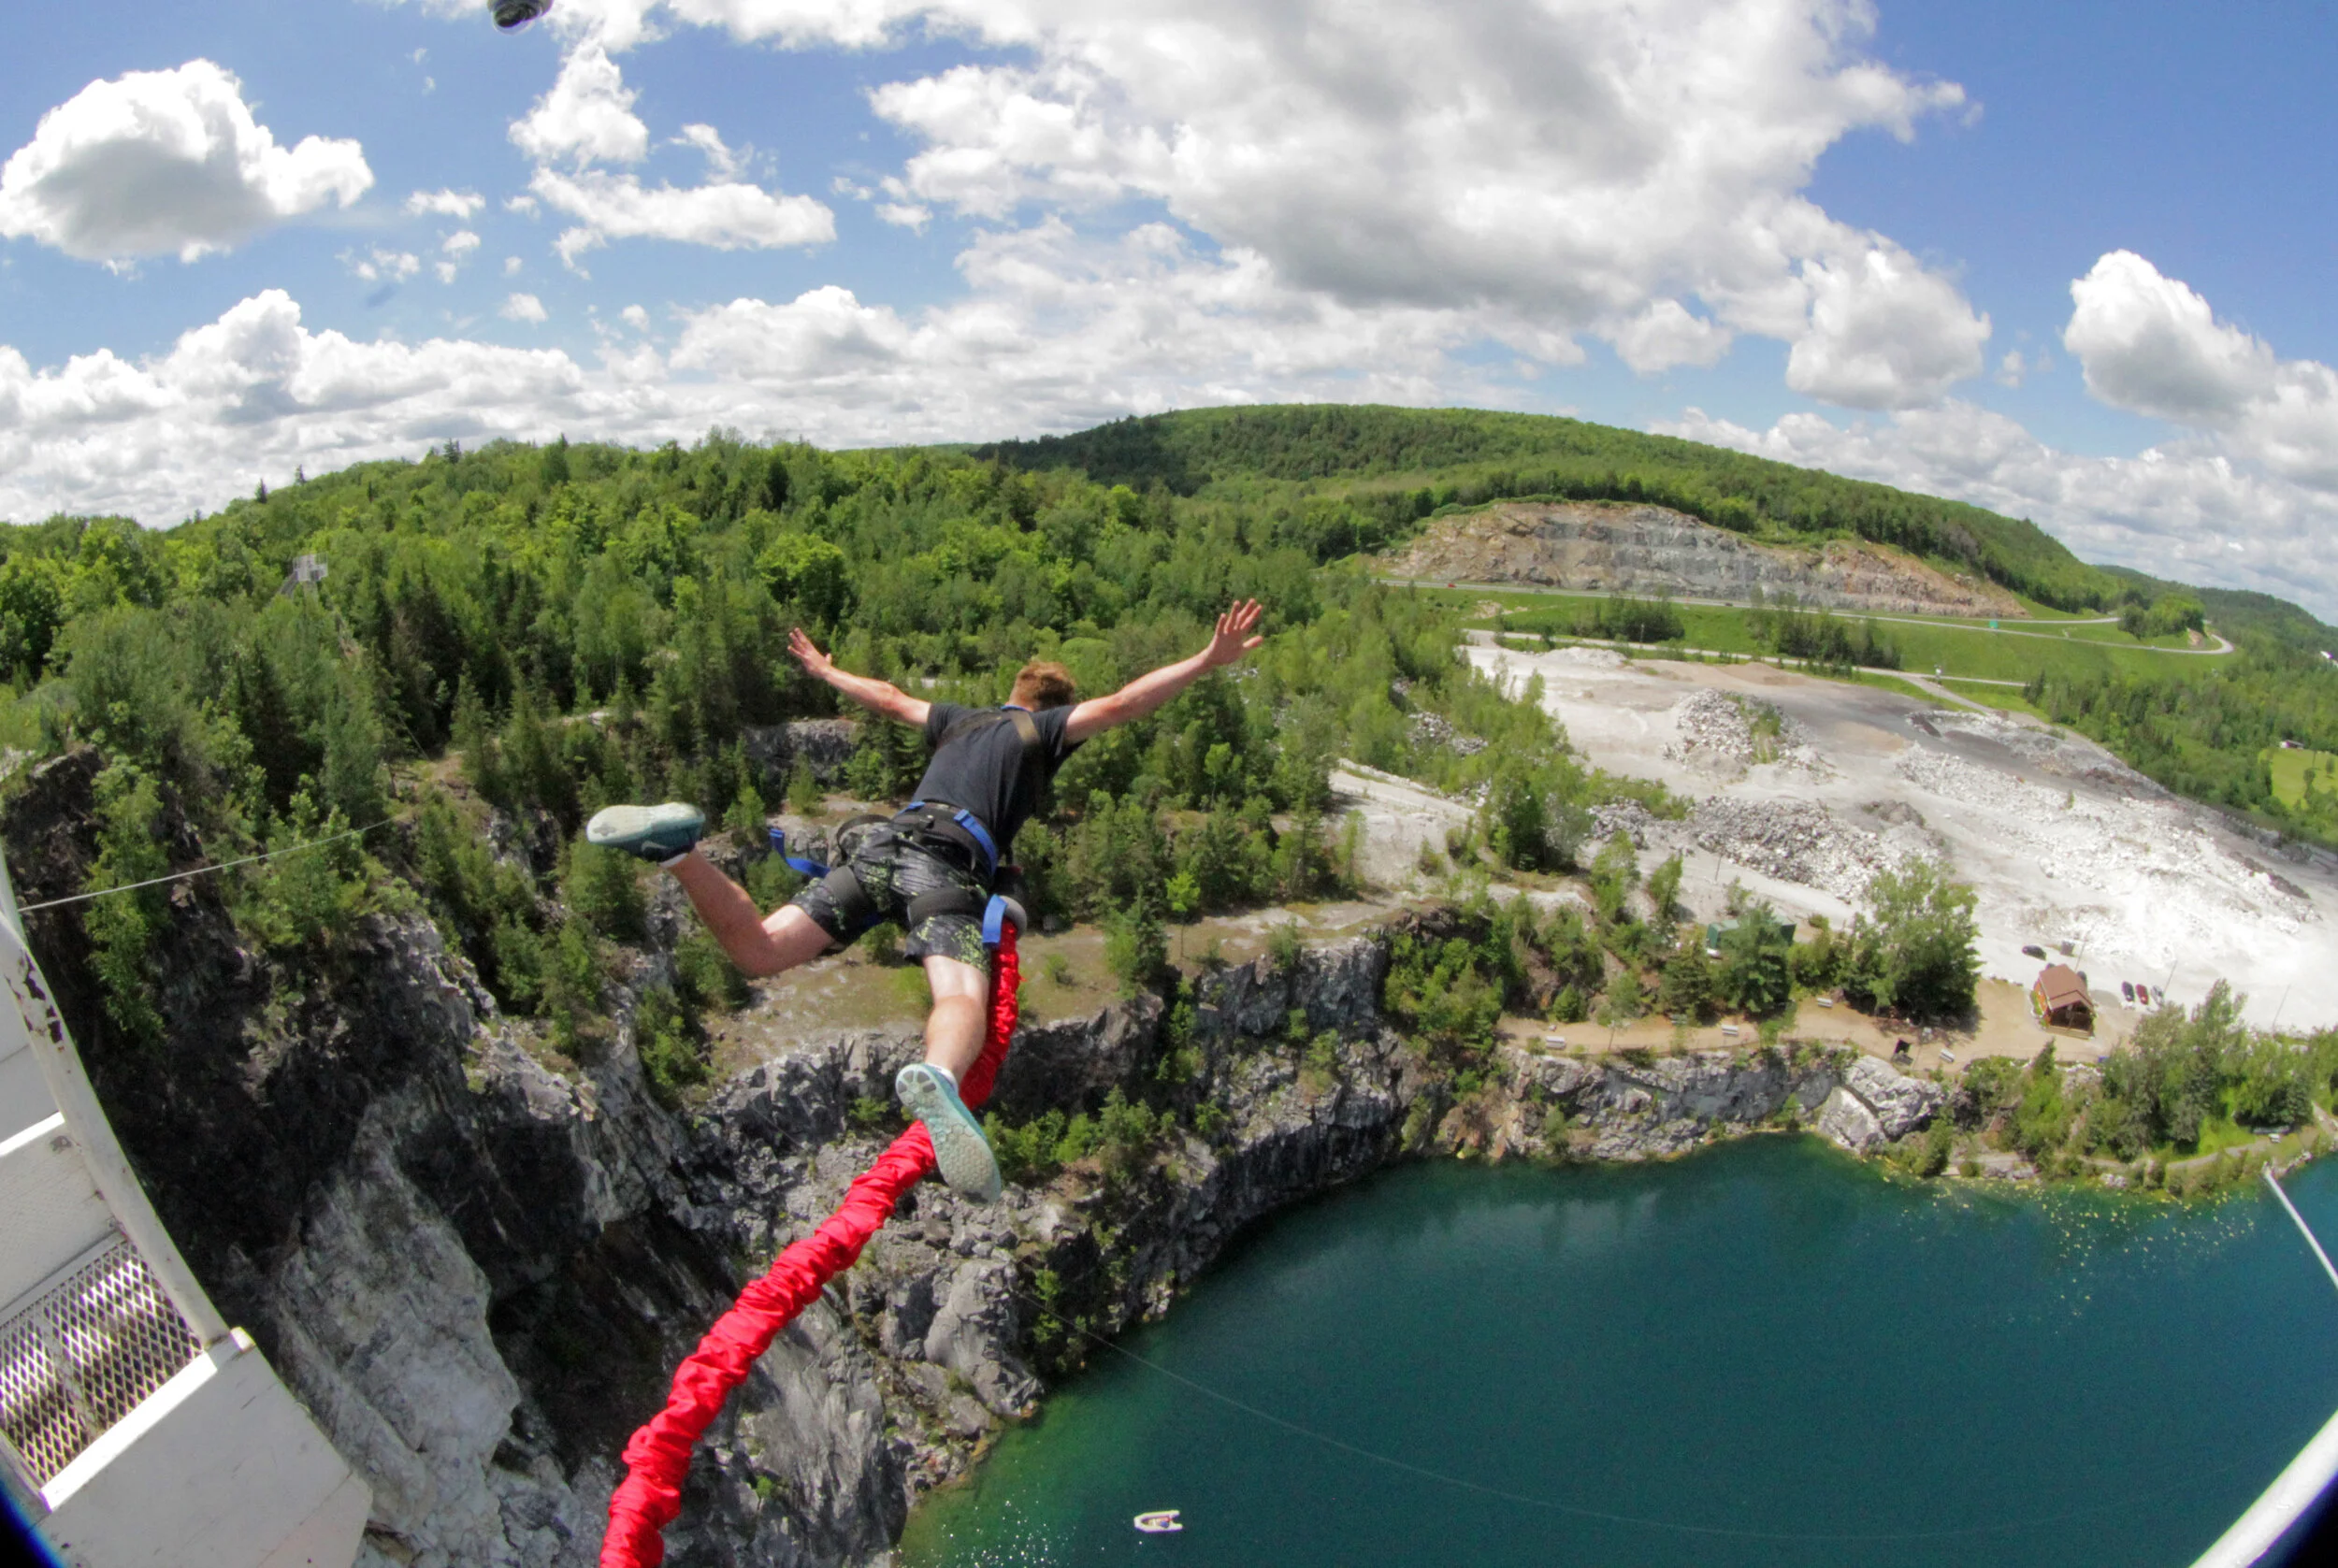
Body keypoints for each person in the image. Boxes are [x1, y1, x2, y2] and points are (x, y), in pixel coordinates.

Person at [585, 600, 1266, 1201]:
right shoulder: (1042, 734)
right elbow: (1122, 704)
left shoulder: (960, 720)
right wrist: (1208, 659)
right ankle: (939, 1074)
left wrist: (825, 671)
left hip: (878, 847)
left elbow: (886, 696)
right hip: (944, 873)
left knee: (759, 951)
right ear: (1054, 707)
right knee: (962, 997)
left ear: (1010, 691)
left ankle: (679, 852)